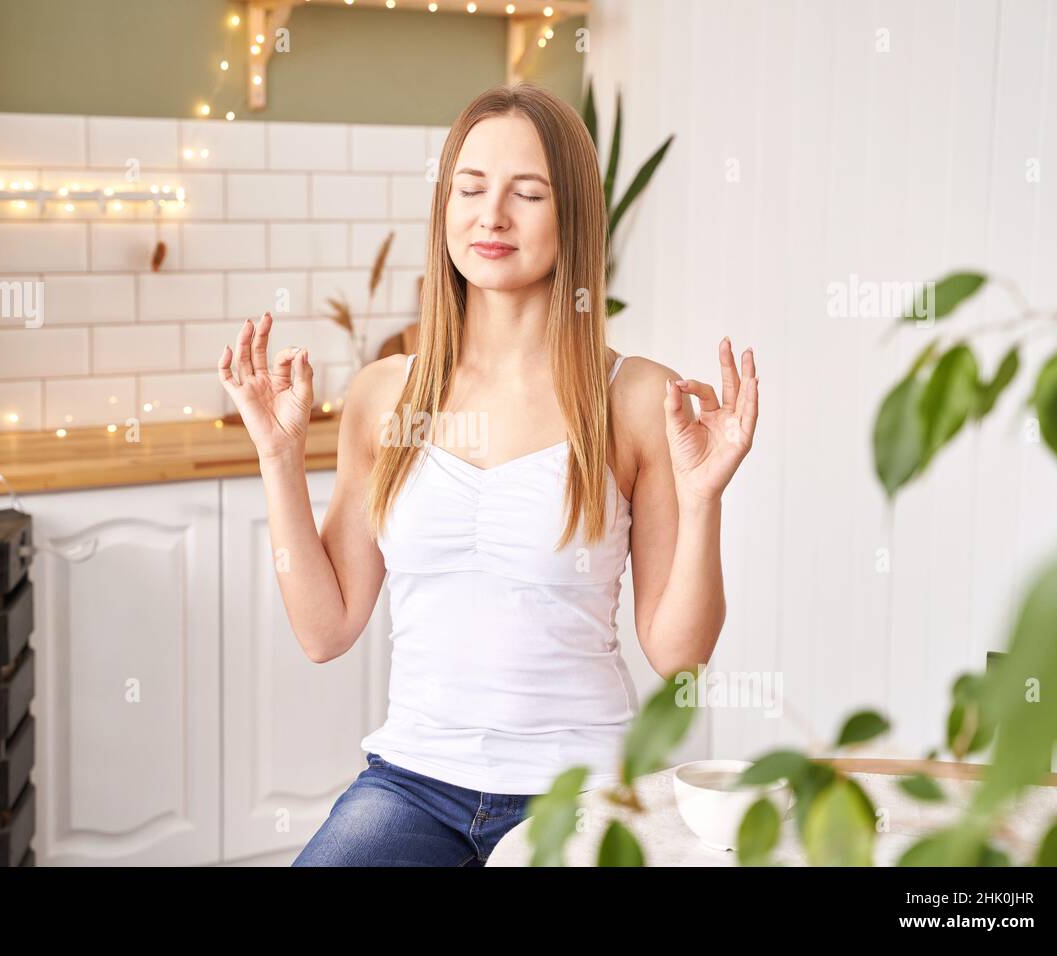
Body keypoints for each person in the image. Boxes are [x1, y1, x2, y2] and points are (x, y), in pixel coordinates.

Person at [219, 83, 759, 866]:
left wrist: (705, 498)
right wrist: (277, 455)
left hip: (583, 792)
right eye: (469, 189)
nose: (491, 216)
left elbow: (680, 656)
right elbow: (325, 628)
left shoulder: (636, 397)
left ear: (570, 212)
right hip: (411, 785)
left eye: (527, 193)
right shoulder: (384, 394)